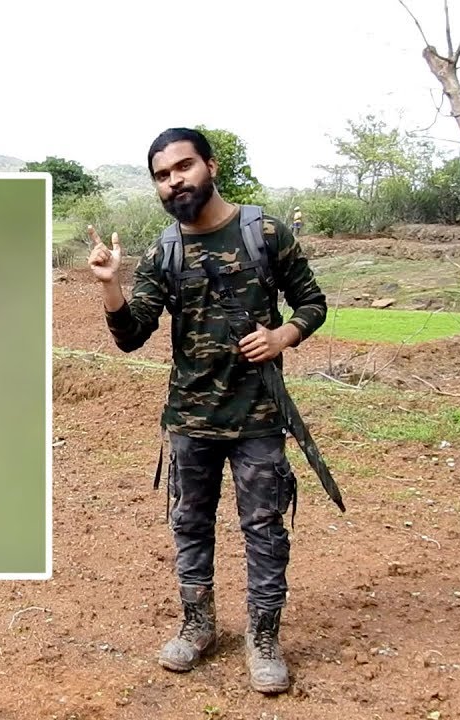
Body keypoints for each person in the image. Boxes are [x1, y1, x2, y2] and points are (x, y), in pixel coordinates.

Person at [86, 127, 327, 694]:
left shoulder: (263, 231)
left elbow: (312, 302)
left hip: (258, 417)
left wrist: (282, 336)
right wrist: (112, 287)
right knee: (190, 525)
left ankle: (263, 637)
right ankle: (198, 626)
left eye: (183, 168)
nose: (174, 182)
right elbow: (131, 335)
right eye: (162, 176)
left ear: (210, 166)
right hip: (190, 420)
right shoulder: (164, 252)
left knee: (265, 529)